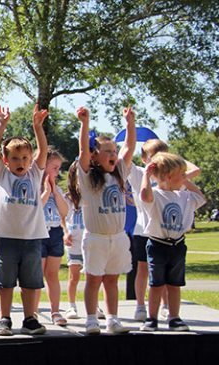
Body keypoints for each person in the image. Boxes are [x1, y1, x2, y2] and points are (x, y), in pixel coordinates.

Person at [0, 105, 50, 336]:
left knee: (31, 283)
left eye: (25, 157)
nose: (20, 162)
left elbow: (43, 149)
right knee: (5, 282)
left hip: (32, 238)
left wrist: (37, 127)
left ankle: (29, 319)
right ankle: (4, 319)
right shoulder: (1, 175)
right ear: (6, 160)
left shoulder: (35, 174)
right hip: (6, 238)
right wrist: (1, 125)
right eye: (15, 158)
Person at [76, 106, 137, 335]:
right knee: (93, 280)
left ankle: (113, 319)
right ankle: (92, 319)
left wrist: (130, 123)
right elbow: (83, 150)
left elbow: (129, 147)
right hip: (96, 239)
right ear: (95, 155)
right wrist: (85, 123)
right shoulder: (88, 177)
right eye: (108, 151)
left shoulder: (119, 173)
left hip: (118, 238)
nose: (113, 154)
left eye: (114, 151)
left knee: (112, 280)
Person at [128, 139, 200, 321]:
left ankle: (166, 306)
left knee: (168, 275)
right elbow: (125, 159)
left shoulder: (174, 179)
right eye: (154, 155)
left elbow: (195, 170)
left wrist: (173, 161)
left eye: (163, 154)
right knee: (143, 269)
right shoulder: (139, 173)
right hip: (143, 230)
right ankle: (140, 306)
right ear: (145, 159)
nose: (159, 158)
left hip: (167, 234)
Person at [139, 152, 206, 331]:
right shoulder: (156, 195)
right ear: (168, 177)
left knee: (175, 284)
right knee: (156, 283)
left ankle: (174, 317)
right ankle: (151, 318)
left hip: (177, 245)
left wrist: (184, 180)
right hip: (157, 245)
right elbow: (145, 196)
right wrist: (146, 174)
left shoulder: (184, 196)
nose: (185, 177)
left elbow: (201, 197)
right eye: (182, 174)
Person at [38, 149, 69, 326]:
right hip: (40, 232)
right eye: (55, 168)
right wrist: (46, 191)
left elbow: (64, 212)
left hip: (55, 233)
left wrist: (55, 192)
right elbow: (36, 209)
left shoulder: (57, 189)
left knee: (52, 274)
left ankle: (55, 311)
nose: (57, 172)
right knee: (37, 275)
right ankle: (33, 312)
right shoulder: (35, 186)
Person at [61, 161, 84, 319]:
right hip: (73, 241)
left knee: (93, 277)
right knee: (74, 276)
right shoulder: (67, 198)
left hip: (90, 240)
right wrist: (65, 232)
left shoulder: (92, 193)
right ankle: (71, 306)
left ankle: (95, 306)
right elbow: (62, 217)